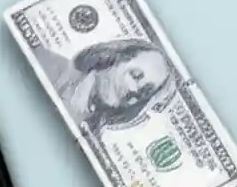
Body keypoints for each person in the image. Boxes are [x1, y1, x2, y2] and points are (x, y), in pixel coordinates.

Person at [34, 38, 176, 134]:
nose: (134, 90)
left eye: (144, 91)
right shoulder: (43, 63)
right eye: (135, 75)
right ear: (113, 58)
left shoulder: (90, 139)